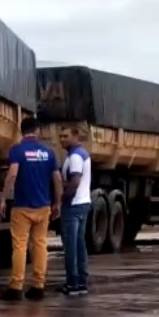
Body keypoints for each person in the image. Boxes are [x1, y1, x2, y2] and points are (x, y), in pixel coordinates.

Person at [0, 117, 63, 301]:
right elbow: (57, 179)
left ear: (21, 131)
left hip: (22, 207)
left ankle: (16, 287)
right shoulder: (49, 153)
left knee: (20, 246)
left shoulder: (17, 151)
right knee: (41, 245)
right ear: (37, 131)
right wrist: (57, 202)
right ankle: (38, 286)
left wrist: (3, 198)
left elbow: (12, 174)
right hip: (43, 206)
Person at [58, 127, 92, 296]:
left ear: (76, 136)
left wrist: (63, 198)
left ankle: (72, 283)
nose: (62, 139)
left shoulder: (76, 156)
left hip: (74, 205)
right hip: (83, 203)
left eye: (66, 136)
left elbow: (75, 180)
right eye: (61, 136)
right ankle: (82, 282)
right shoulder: (79, 154)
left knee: (71, 246)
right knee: (79, 244)